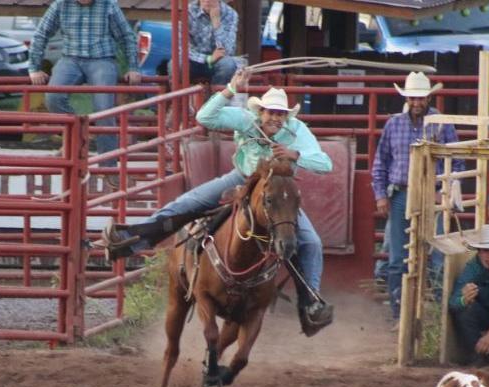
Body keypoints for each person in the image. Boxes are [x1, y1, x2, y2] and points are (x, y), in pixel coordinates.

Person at [99, 68, 335, 336]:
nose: (275, 118)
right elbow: (205, 117)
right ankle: (131, 239)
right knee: (188, 203)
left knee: (310, 242)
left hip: (277, 192)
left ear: (286, 117)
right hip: (242, 179)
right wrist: (231, 89)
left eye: (280, 114)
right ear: (261, 112)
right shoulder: (246, 120)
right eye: (271, 112)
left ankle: (310, 303)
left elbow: (325, 164)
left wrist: (296, 155)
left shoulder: (296, 130)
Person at [371, 72, 464, 321]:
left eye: (420, 98)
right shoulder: (394, 124)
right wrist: (381, 196)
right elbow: (381, 162)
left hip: (434, 193)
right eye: (412, 98)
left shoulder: (441, 123)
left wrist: (445, 190)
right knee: (398, 258)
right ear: (407, 99)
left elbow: (457, 160)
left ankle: (440, 316)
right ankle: (400, 314)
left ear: (428, 98)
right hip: (401, 192)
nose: (416, 102)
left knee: (439, 256)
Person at [28, 0, 141, 162]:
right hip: (70, 58)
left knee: (104, 109)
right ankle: (78, 136)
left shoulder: (108, 5)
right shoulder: (60, 5)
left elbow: (126, 36)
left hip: (102, 59)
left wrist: (133, 68)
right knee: (53, 97)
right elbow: (41, 34)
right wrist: (34, 68)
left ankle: (107, 165)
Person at [448, 224, 489, 366]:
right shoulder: (472, 267)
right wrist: (464, 300)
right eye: (485, 251)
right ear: (479, 253)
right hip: (483, 315)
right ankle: (475, 357)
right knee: (465, 310)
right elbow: (452, 303)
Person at [188, 0, 239, 86]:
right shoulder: (188, 11)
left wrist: (216, 24)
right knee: (175, 64)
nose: (207, 0)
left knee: (228, 65)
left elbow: (228, 50)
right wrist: (208, 59)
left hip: (217, 62)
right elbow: (182, 49)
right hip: (193, 60)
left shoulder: (231, 14)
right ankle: (181, 94)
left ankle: (217, 94)